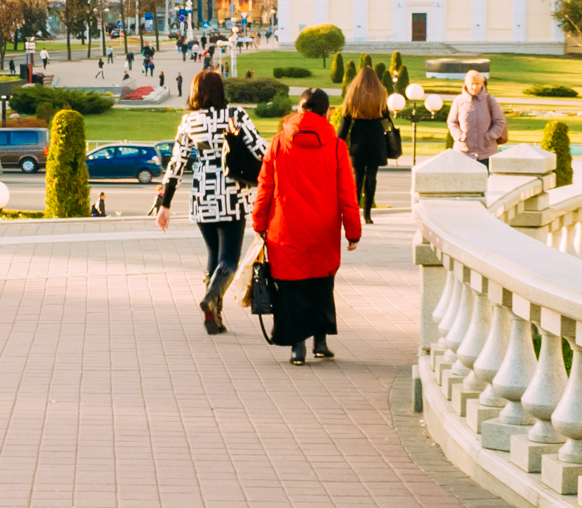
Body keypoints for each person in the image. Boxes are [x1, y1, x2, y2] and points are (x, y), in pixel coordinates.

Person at [252, 88, 362, 366]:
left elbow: (265, 187)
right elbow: (347, 193)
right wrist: (353, 231)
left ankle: (297, 348)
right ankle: (321, 342)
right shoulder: (337, 146)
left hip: (286, 227)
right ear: (328, 112)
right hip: (323, 229)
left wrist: (259, 223)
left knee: (290, 288)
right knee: (321, 284)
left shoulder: (278, 143)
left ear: (300, 109)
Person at [155, 69, 266, 334]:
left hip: (202, 192)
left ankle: (213, 319)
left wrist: (165, 204)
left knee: (213, 255)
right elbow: (260, 148)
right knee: (229, 260)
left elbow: (177, 164)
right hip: (232, 192)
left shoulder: (189, 121)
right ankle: (210, 301)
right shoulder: (235, 115)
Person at [336, 64, 399, 224]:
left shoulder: (353, 93)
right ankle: (368, 215)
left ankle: (354, 214)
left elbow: (345, 121)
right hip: (376, 138)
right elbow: (386, 118)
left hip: (358, 139)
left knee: (357, 179)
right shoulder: (381, 92)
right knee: (372, 177)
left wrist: (337, 143)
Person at [448, 69, 507, 161]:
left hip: (487, 153)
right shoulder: (459, 100)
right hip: (463, 153)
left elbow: (500, 121)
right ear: (466, 84)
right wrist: (459, 136)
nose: (474, 87)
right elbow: (452, 122)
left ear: (482, 84)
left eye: (477, 84)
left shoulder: (490, 100)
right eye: (472, 83)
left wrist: (490, 136)